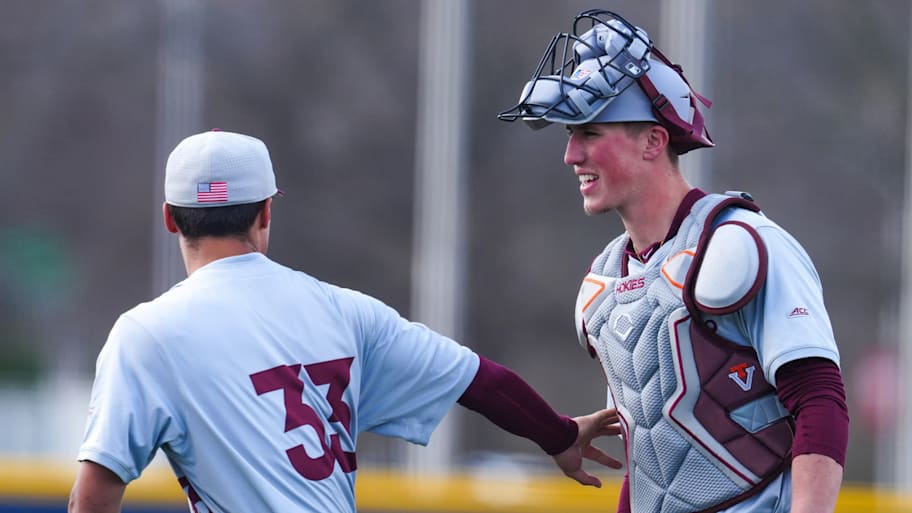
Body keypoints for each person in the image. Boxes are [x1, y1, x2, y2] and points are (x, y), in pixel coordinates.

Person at [68, 129, 624, 513]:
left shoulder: (148, 334)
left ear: (169, 218)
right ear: (266, 211)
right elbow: (483, 381)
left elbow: (94, 496)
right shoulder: (342, 310)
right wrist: (558, 435)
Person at [498, 9, 848, 513]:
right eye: (569, 136)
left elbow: (820, 400)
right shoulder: (606, 282)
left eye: (591, 133)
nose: (571, 155)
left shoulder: (741, 246)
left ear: (653, 141)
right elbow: (654, 459)